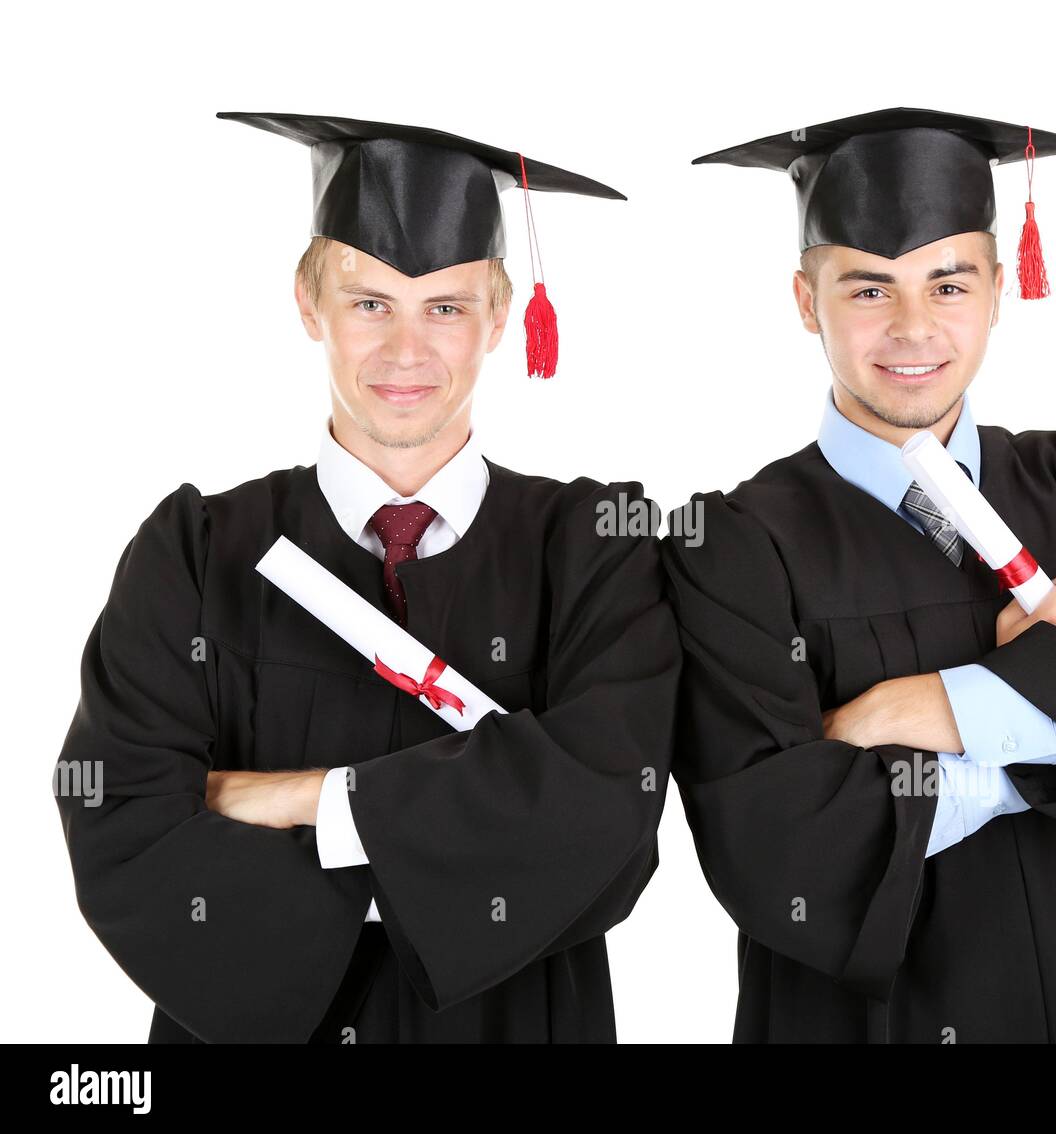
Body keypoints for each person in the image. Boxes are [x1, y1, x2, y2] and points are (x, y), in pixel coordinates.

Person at [53, 112, 679, 1044]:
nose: (405, 352)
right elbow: (125, 836)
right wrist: (472, 843)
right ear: (308, 301)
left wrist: (310, 803)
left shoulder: (593, 552)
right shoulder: (194, 551)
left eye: (447, 307)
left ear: (501, 317)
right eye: (369, 303)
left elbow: (609, 827)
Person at [662, 107, 1056, 1043]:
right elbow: (772, 842)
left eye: (948, 282)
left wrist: (942, 707)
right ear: (807, 301)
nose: (912, 328)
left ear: (1000, 287)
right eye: (867, 290)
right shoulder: (729, 547)